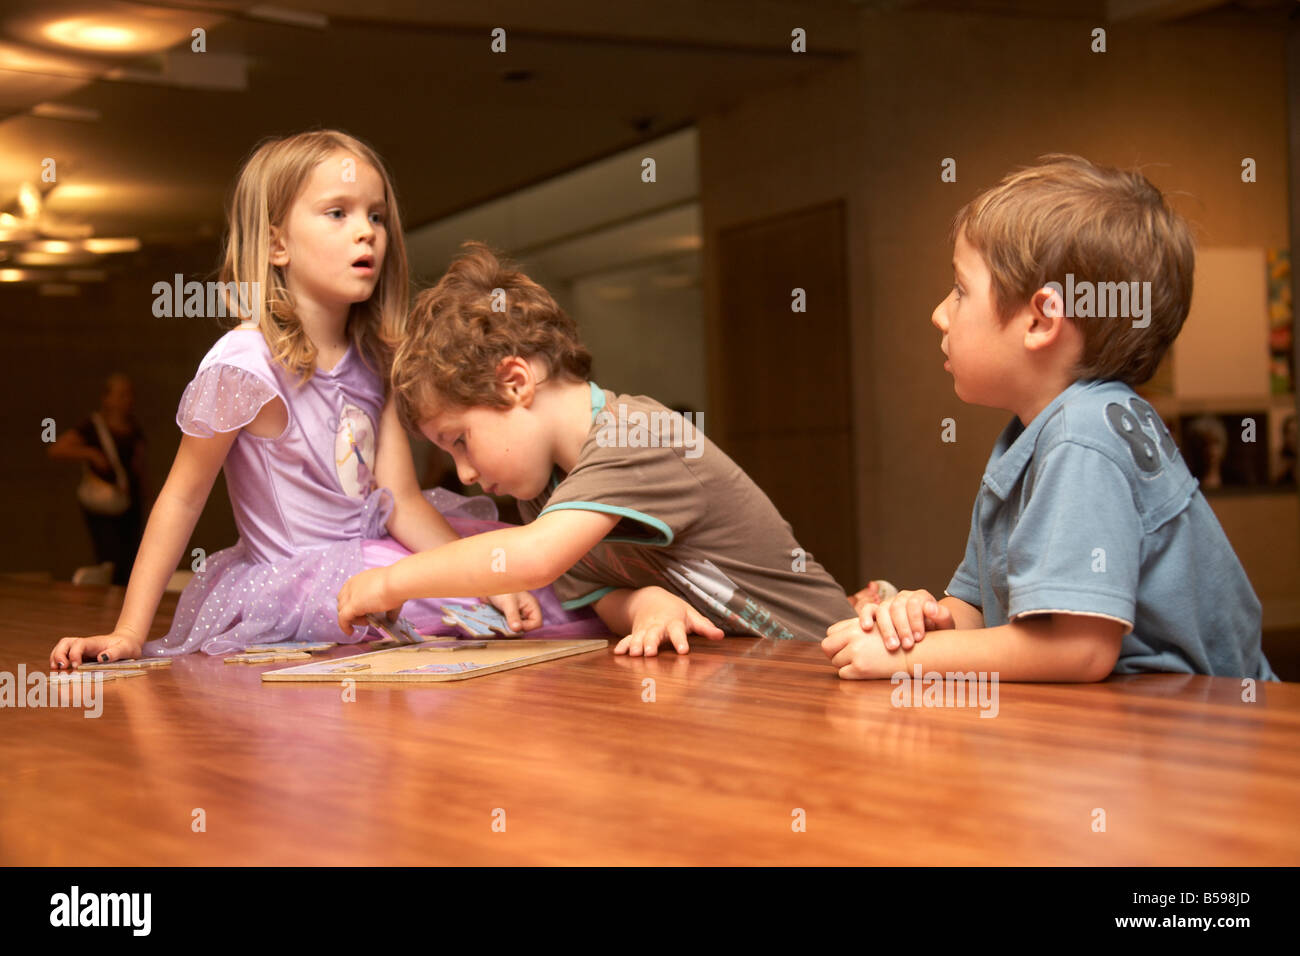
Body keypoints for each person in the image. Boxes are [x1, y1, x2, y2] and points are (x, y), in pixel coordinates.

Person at [51, 131, 596, 671]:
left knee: (520, 563)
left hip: (380, 551)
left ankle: (641, 608)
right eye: (338, 213)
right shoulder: (244, 363)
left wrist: (481, 572)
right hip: (299, 577)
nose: (366, 232)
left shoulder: (377, 361)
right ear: (276, 245)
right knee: (441, 592)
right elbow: (182, 498)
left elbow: (401, 500)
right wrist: (128, 631)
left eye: (376, 216)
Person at [825, 154, 1276, 681]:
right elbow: (977, 615)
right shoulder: (1039, 433)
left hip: (1200, 738)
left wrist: (910, 661)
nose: (940, 313)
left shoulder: (1082, 437)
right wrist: (919, 624)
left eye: (960, 290)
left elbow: (1077, 649)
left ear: (1040, 319)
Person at [336, 242, 855, 655]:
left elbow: (533, 558)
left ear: (515, 382)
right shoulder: (543, 495)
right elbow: (599, 596)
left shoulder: (635, 435)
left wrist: (391, 582)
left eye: (461, 441)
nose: (465, 473)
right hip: (755, 684)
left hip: (825, 660)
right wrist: (646, 603)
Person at [49, 373, 147, 585]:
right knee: (111, 557)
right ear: (107, 398)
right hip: (103, 503)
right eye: (120, 395)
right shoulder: (93, 426)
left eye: (129, 394)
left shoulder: (133, 427)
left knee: (132, 556)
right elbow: (57, 449)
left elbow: (139, 464)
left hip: (130, 501)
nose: (126, 400)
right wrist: (91, 454)